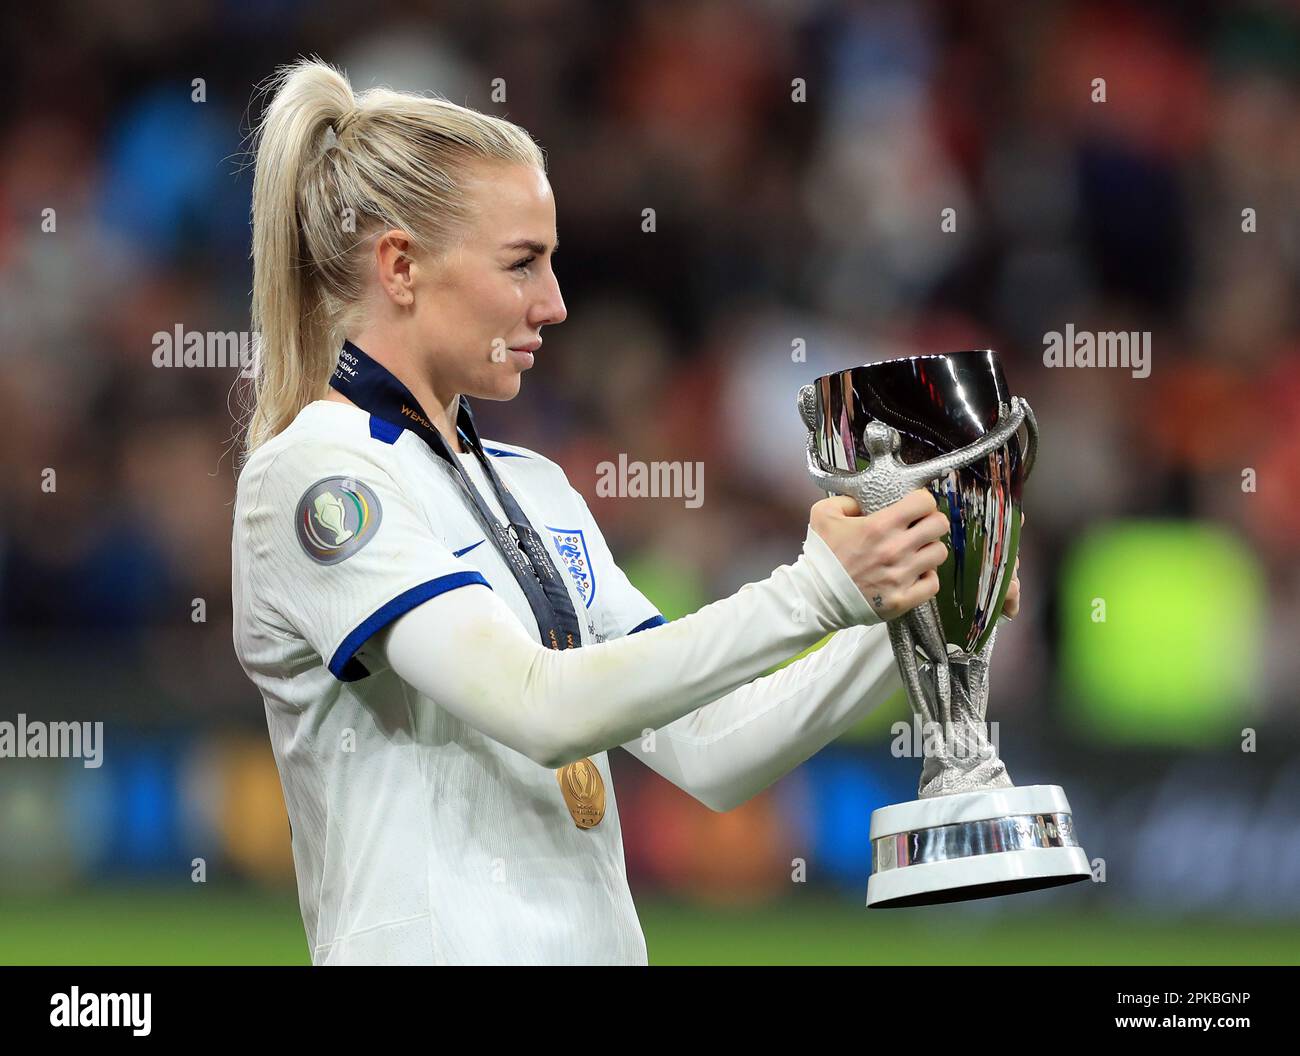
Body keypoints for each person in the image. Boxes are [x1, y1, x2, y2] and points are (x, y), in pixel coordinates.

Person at [231, 58, 1018, 965]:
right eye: (522, 264)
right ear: (400, 265)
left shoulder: (531, 485)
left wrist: (913, 611)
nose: (554, 303)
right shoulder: (317, 476)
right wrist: (816, 591)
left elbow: (715, 753)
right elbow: (538, 708)